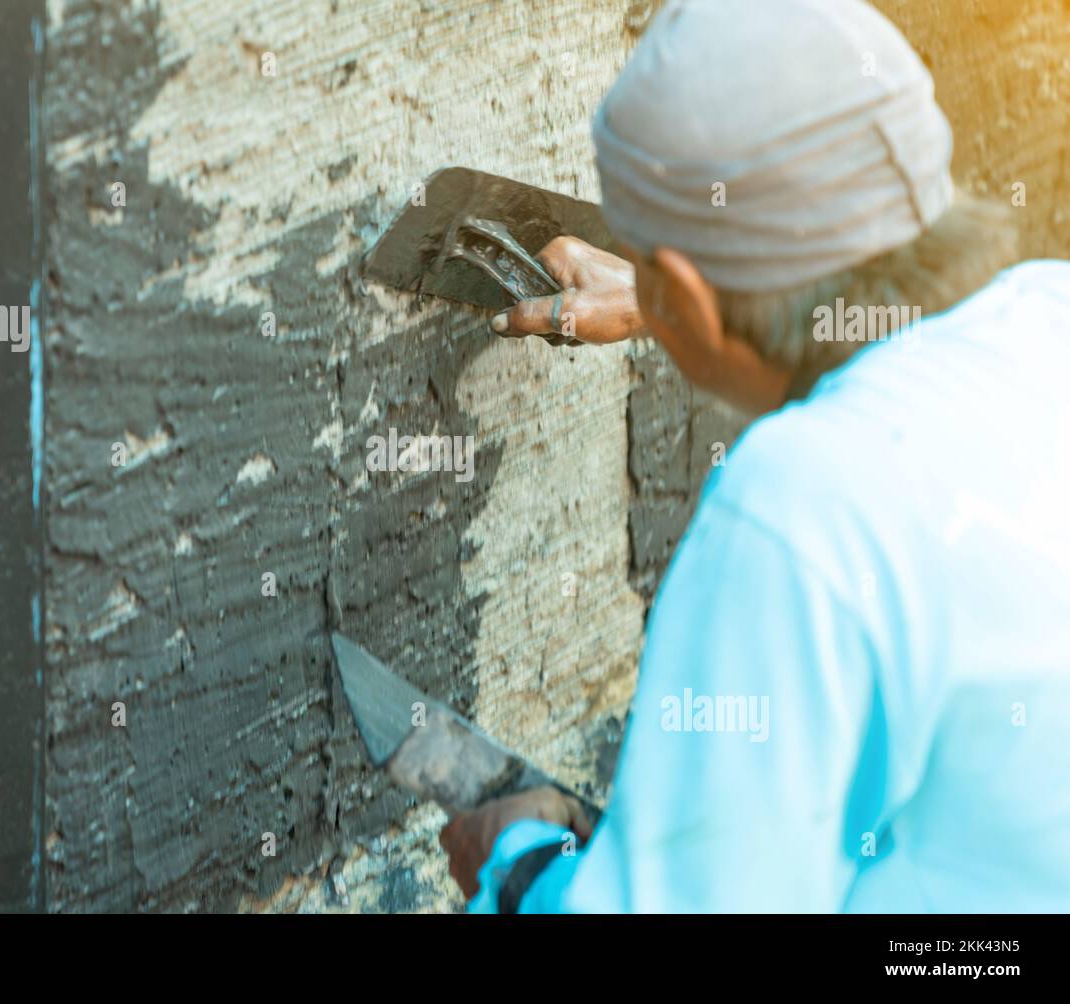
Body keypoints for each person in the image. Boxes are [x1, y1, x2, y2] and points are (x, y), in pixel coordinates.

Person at [439, 0, 1070, 912]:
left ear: (687, 304)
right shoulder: (1050, 309)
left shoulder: (801, 502)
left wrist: (524, 865)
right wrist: (691, 301)